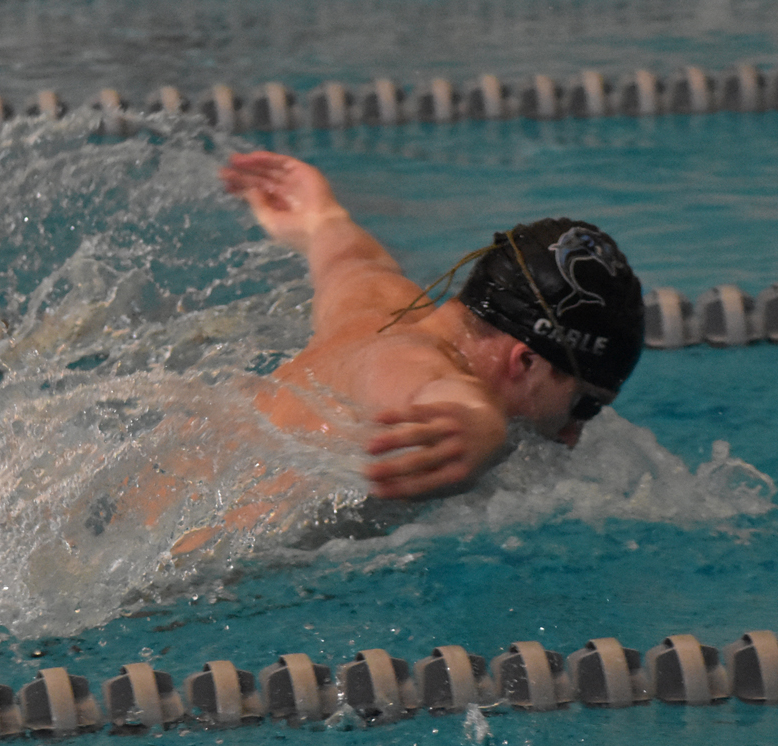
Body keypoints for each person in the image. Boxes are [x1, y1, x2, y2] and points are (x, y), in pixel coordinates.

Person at [221, 150, 645, 501]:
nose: (572, 435)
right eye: (584, 405)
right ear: (526, 361)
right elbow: (433, 389)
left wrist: (320, 216)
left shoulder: (385, 305)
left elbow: (349, 259)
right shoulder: (411, 364)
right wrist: (483, 426)